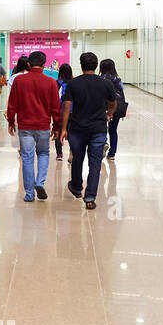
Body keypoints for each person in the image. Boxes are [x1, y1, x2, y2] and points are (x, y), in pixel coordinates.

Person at [61, 52, 118, 209]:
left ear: (81, 65)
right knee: (95, 163)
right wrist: (109, 113)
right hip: (98, 129)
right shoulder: (105, 83)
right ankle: (90, 197)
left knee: (77, 158)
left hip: (77, 129)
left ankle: (77, 188)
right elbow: (113, 103)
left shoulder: (74, 83)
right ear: (96, 65)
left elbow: (66, 106)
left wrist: (64, 128)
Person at [5, 51, 61, 203]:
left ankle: (29, 194)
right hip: (43, 126)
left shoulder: (19, 81)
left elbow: (12, 104)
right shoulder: (51, 82)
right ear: (44, 65)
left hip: (25, 127)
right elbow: (56, 108)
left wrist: (11, 121)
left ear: (28, 64)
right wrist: (56, 127)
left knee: (27, 158)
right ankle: (39, 182)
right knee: (43, 153)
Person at [99, 58, 127, 159]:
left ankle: (104, 143)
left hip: (103, 107)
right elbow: (122, 93)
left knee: (102, 129)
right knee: (113, 130)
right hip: (117, 108)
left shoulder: (101, 79)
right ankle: (112, 154)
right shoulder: (117, 79)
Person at [54, 63, 73, 160]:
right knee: (72, 132)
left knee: (59, 131)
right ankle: (71, 152)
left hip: (60, 111)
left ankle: (59, 154)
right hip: (73, 111)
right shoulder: (74, 82)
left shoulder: (57, 83)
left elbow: (54, 97)